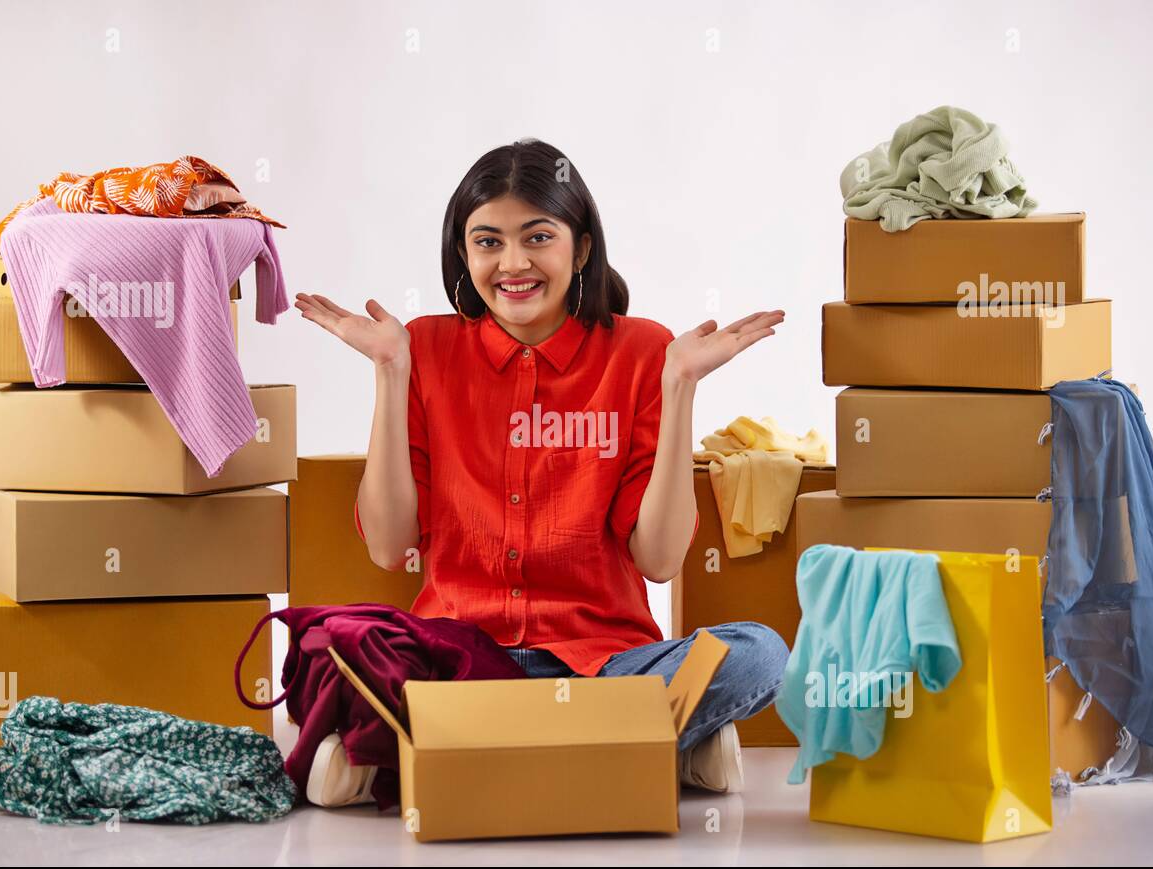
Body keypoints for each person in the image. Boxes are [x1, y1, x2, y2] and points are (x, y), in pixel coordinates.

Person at [295, 138, 788, 807]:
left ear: (581, 248)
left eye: (538, 237)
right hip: (462, 664)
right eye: (488, 241)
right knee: (335, 651)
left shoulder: (642, 350)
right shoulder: (426, 349)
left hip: (604, 665)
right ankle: (648, 748)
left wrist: (680, 387)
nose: (513, 263)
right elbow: (388, 545)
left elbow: (662, 558)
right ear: (463, 255)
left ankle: (411, 759)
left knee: (760, 652)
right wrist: (390, 371)